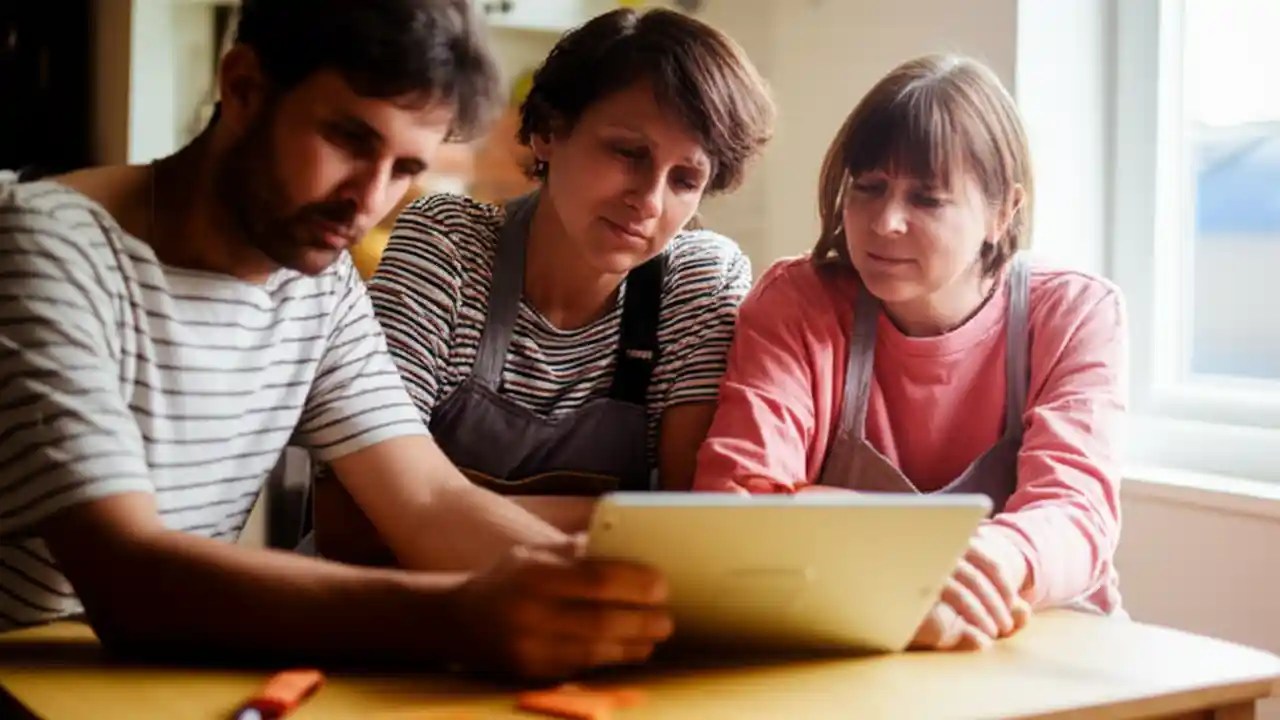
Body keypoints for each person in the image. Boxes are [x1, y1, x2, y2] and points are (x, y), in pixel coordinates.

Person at [0, 0, 673, 681]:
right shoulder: (44, 245)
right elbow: (128, 581)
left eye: (405, 168)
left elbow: (429, 502)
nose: (367, 199)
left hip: (142, 684)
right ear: (243, 88)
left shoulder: (313, 280)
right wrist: (457, 615)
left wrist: (627, 605)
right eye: (350, 141)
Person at [692, 54, 1127, 651]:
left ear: (1004, 212)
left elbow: (1076, 514)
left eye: (927, 199)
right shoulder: (798, 302)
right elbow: (733, 502)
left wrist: (979, 561)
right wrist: (921, 556)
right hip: (856, 644)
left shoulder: (1074, 311)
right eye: (868, 188)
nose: (885, 221)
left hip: (1040, 643)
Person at [312, 6, 775, 560]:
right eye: (628, 153)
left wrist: (438, 511)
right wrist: (623, 522)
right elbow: (350, 524)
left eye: (685, 178)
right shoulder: (448, 246)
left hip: (588, 622)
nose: (649, 202)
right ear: (549, 132)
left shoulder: (699, 281)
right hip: (402, 622)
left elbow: (694, 530)